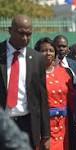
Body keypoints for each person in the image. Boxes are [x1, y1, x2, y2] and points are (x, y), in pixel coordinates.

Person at [0, 15, 50, 149]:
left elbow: (42, 97)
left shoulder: (37, 59)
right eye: (21, 33)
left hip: (28, 123)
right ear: (10, 30)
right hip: (3, 123)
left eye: (29, 34)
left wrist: (46, 134)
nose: (25, 38)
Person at [34, 37, 75, 150]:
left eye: (51, 50)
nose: (48, 53)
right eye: (44, 50)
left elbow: (72, 98)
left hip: (63, 125)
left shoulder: (64, 72)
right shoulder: (33, 74)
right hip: (44, 127)